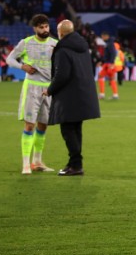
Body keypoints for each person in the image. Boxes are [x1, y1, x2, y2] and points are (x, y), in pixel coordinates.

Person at [45, 20, 101, 176]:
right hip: (82, 95)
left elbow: (62, 75)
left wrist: (49, 90)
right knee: (76, 130)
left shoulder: (62, 50)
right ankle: (74, 163)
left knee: (68, 131)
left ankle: (76, 165)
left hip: (68, 97)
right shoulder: (83, 46)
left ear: (60, 32)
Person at [6, 14, 56, 174]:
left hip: (49, 89)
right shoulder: (26, 43)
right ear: (35, 28)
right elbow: (9, 59)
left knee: (43, 125)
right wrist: (23, 67)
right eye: (41, 27)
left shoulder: (55, 44)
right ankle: (26, 164)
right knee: (29, 124)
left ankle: (37, 161)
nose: (45, 29)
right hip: (32, 88)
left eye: (46, 26)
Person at [97, 33, 123, 100]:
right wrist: (102, 62)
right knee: (110, 78)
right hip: (108, 63)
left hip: (109, 64)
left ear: (106, 36)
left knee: (102, 76)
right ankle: (114, 95)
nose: (102, 38)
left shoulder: (110, 43)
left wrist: (111, 63)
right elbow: (108, 54)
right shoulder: (109, 43)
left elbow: (113, 53)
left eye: (102, 36)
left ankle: (103, 94)